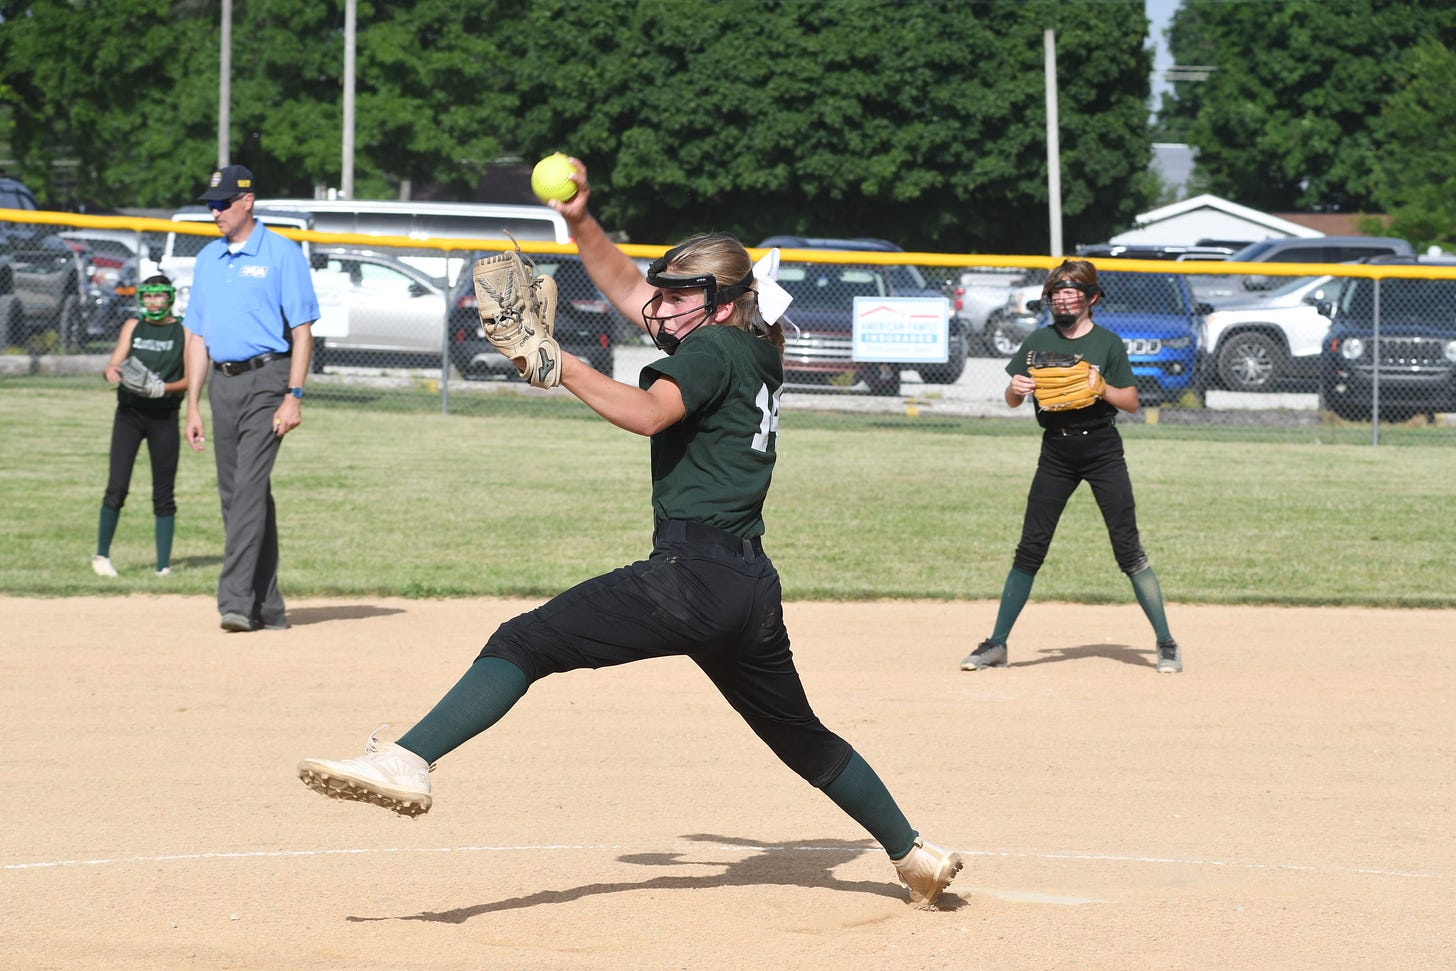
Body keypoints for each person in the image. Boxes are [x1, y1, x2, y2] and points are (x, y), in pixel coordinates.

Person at [298, 159, 965, 908]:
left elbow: (649, 414)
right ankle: (913, 852)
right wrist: (581, 222)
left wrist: (559, 363)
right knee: (799, 734)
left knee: (524, 641)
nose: (660, 307)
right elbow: (628, 289)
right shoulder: (756, 347)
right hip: (748, 585)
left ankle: (409, 759)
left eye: (679, 296)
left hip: (692, 576)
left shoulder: (709, 349)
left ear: (720, 302)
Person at [960, 259, 1183, 674]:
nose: (1062, 300)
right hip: (1056, 452)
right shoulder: (1038, 340)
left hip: (1102, 450)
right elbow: (1012, 399)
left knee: (1127, 548)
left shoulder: (1108, 343)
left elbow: (1131, 402)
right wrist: (1015, 388)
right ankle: (997, 644)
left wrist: (1102, 387)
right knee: (1030, 547)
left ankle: (1166, 642)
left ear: (1091, 297)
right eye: (1056, 293)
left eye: (1071, 292)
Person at [183, 164, 318, 632]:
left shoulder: (282, 253)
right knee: (239, 493)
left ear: (247, 201)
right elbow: (196, 337)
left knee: (246, 488)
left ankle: (235, 601)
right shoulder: (207, 259)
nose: (215, 212)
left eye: (222, 203)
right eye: (211, 205)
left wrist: (293, 395)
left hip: (268, 379)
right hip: (222, 384)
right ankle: (268, 605)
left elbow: (302, 333)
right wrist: (192, 405)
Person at [93, 275, 191, 577]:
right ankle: (101, 557)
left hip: (164, 416)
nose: (153, 302)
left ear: (169, 298)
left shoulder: (184, 330)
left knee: (164, 491)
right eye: (147, 296)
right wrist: (112, 371)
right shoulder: (133, 326)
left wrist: (165, 388)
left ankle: (163, 566)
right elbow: (113, 364)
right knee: (117, 486)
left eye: (158, 296)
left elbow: (192, 378)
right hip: (130, 414)